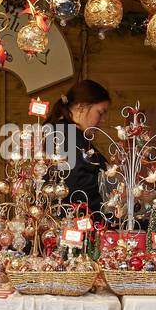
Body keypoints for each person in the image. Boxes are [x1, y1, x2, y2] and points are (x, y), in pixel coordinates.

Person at [42, 80, 111, 218]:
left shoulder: (70, 134)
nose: (103, 120)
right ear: (81, 107)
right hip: (74, 222)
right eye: (100, 112)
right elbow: (72, 186)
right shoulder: (64, 134)